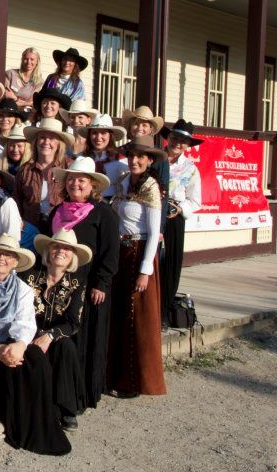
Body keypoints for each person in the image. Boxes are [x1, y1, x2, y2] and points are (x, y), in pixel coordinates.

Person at [0, 234, 71, 455]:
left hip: (10, 342)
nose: (1, 258)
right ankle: (19, 425)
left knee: (36, 359)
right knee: (10, 367)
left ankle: (42, 425)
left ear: (15, 262)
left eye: (8, 255)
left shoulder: (22, 289)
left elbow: (26, 322)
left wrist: (20, 345)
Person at [49, 156, 119, 410]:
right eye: (71, 179)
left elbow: (110, 252)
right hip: (61, 285)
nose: (75, 184)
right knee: (65, 339)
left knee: (87, 339)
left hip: (90, 287)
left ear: (92, 186)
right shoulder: (58, 212)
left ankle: (82, 394)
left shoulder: (104, 214)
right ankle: (61, 390)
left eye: (82, 180)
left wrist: (102, 282)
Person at [108, 136, 166, 397]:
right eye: (131, 155)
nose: (135, 160)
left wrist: (145, 270)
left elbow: (154, 233)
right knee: (118, 314)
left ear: (150, 160)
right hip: (120, 251)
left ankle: (134, 381)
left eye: (140, 156)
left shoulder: (151, 187)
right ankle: (113, 374)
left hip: (139, 252)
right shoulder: (121, 181)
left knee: (137, 318)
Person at [21, 229, 91, 432]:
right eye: (56, 247)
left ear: (73, 256)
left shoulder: (76, 282)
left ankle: (66, 408)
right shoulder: (30, 275)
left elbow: (73, 322)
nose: (61, 251)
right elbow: (19, 311)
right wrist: (33, 336)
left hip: (56, 335)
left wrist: (49, 336)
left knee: (66, 347)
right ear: (48, 251)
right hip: (28, 331)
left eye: (67, 249)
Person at [160, 119, 203, 326]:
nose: (178, 143)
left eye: (183, 141)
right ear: (168, 138)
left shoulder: (191, 169)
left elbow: (195, 200)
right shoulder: (156, 159)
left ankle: (164, 311)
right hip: (151, 212)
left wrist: (178, 209)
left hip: (174, 217)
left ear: (188, 145)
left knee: (171, 263)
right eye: (175, 138)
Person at [15, 118, 73, 230]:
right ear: (36, 141)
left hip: (61, 227)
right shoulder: (25, 170)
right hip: (31, 227)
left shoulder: (69, 167)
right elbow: (17, 201)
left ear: (59, 143)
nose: (46, 142)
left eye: (51, 138)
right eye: (42, 137)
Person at [77, 114, 127, 198]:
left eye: (103, 133)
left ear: (110, 136)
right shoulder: (81, 159)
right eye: (94, 133)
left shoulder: (121, 160)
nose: (98, 137)